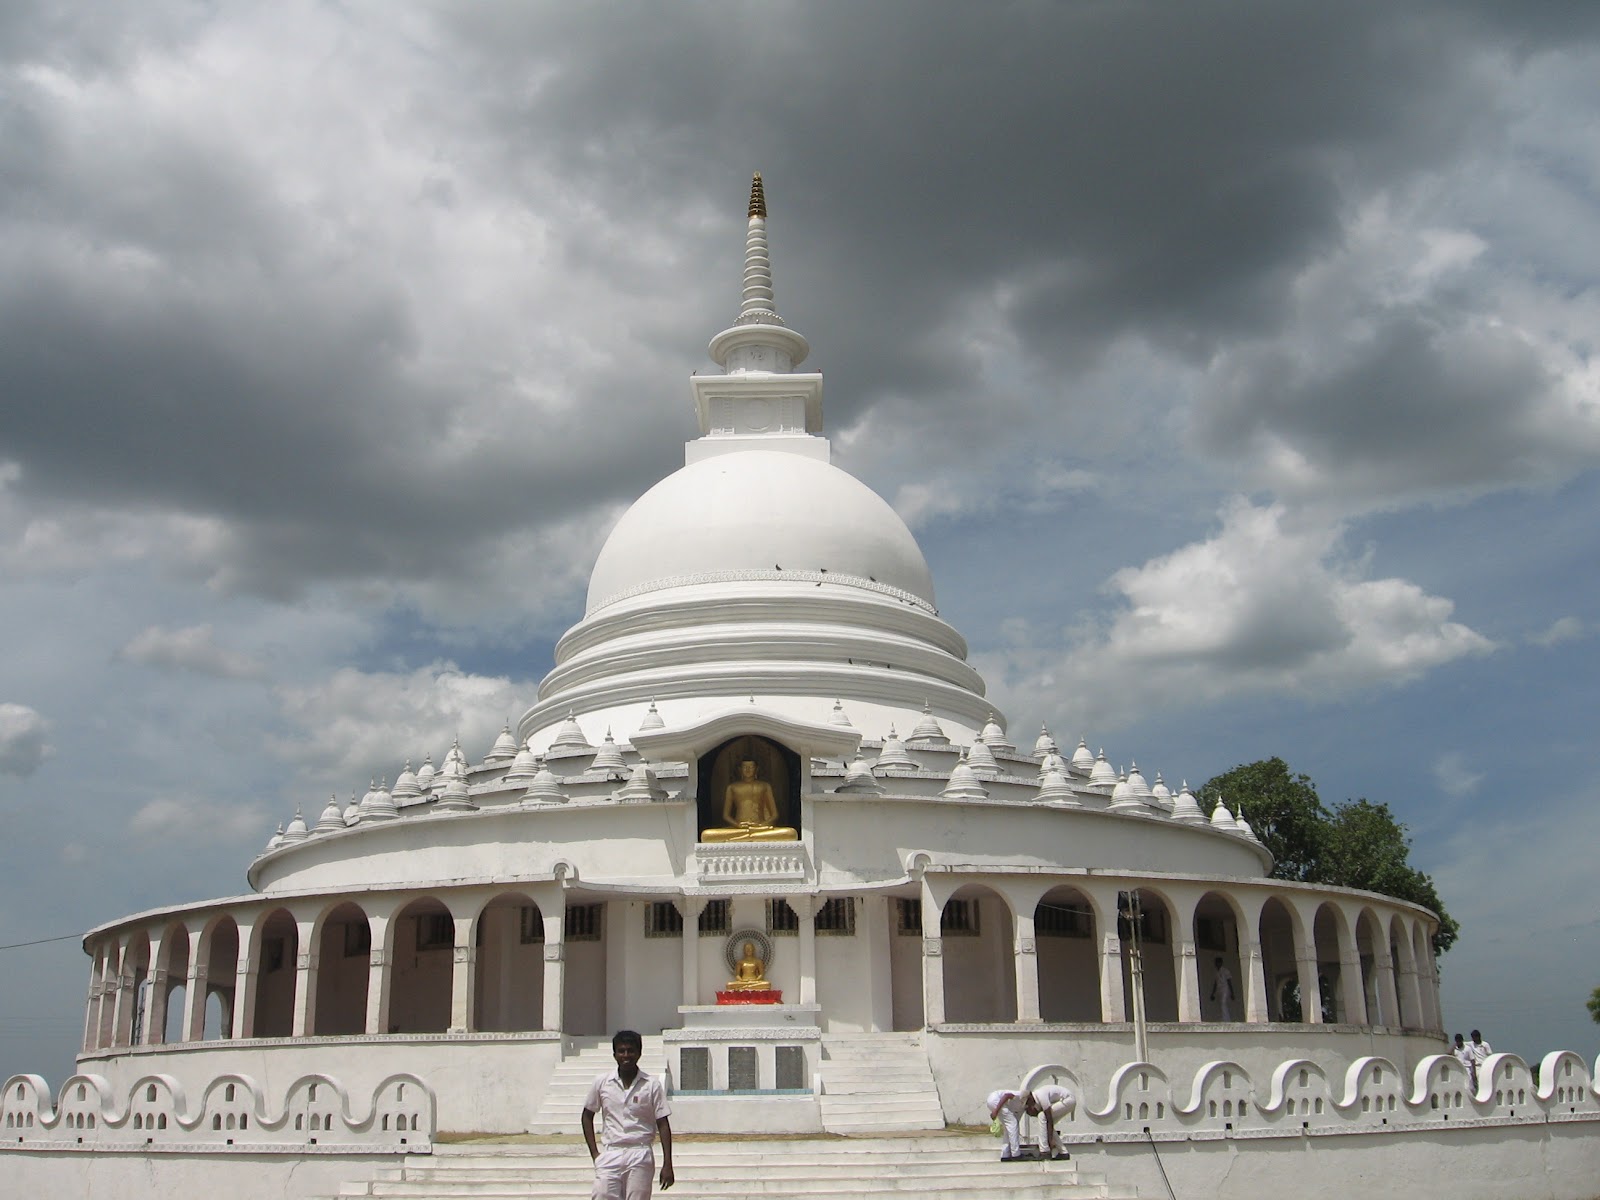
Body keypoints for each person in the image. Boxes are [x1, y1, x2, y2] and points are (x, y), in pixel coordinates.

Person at [582, 1029, 674, 1198]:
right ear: (614, 1054)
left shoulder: (651, 1085)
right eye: (621, 1051)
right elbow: (587, 1116)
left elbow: (663, 1124)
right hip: (610, 1152)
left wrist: (668, 1164)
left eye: (631, 1051)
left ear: (639, 1053)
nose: (626, 1055)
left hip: (640, 1153)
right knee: (601, 1195)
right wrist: (596, 1154)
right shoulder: (602, 1082)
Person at [701, 758, 798, 842]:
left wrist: (760, 826)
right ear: (740, 769)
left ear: (757, 769)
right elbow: (726, 815)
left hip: (761, 828)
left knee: (790, 833)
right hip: (739, 829)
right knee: (707, 835)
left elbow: (775, 815)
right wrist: (738, 825)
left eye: (751, 767)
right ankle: (751, 836)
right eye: (744, 767)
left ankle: (748, 836)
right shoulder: (732, 787)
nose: (747, 770)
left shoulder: (764, 786)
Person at [1024, 1083, 1076, 1160]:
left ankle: (1044, 1151)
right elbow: (1046, 1121)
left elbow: (1049, 1118)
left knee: (1042, 1116)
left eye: (1028, 1103)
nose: (1029, 1105)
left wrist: (1050, 1140)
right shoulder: (1036, 1099)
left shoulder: (1040, 1095)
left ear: (1030, 1098)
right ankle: (1063, 1152)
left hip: (1068, 1100)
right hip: (1067, 1101)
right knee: (1044, 1122)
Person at [986, 1088, 1026, 1162]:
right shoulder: (1020, 1095)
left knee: (1008, 1128)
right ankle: (1016, 1154)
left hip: (991, 1100)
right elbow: (1006, 1096)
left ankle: (1005, 1154)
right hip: (995, 1100)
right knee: (1012, 1123)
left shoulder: (1021, 1104)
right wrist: (996, 1110)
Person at [1209, 956, 1236, 1021]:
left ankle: (1226, 1019)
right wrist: (1213, 993)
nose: (1217, 964)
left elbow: (1229, 982)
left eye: (1218, 963)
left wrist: (1232, 993)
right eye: (1216, 963)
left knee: (1223, 1003)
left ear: (1221, 963)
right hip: (1219, 990)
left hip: (1225, 990)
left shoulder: (1225, 971)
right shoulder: (1216, 972)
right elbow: (1215, 983)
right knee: (1220, 1005)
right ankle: (1222, 1018)